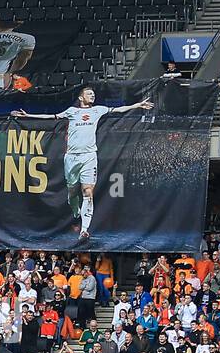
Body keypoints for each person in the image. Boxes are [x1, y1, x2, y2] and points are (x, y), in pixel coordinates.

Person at [10, 86, 153, 243]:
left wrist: (137, 105)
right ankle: (75, 209)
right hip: (71, 157)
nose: (92, 96)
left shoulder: (98, 110)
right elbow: (50, 116)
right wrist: (28, 115)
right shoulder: (72, 111)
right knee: (72, 191)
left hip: (89, 156)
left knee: (87, 191)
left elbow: (119, 110)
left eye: (93, 94)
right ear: (81, 97)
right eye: (89, 94)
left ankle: (84, 229)